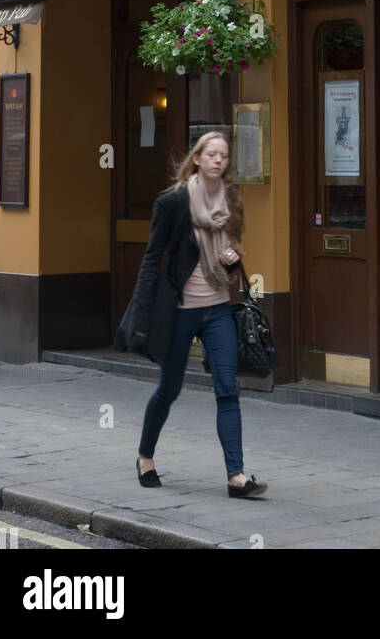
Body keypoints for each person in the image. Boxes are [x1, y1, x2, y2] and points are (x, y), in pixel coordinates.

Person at [114, 131, 267, 498]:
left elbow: (228, 254)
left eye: (224, 156)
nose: (218, 160)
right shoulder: (173, 204)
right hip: (181, 312)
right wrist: (141, 316)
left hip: (216, 309)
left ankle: (237, 476)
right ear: (197, 158)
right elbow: (152, 259)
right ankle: (145, 456)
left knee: (228, 389)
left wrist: (232, 262)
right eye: (211, 154)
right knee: (170, 389)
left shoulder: (232, 202)